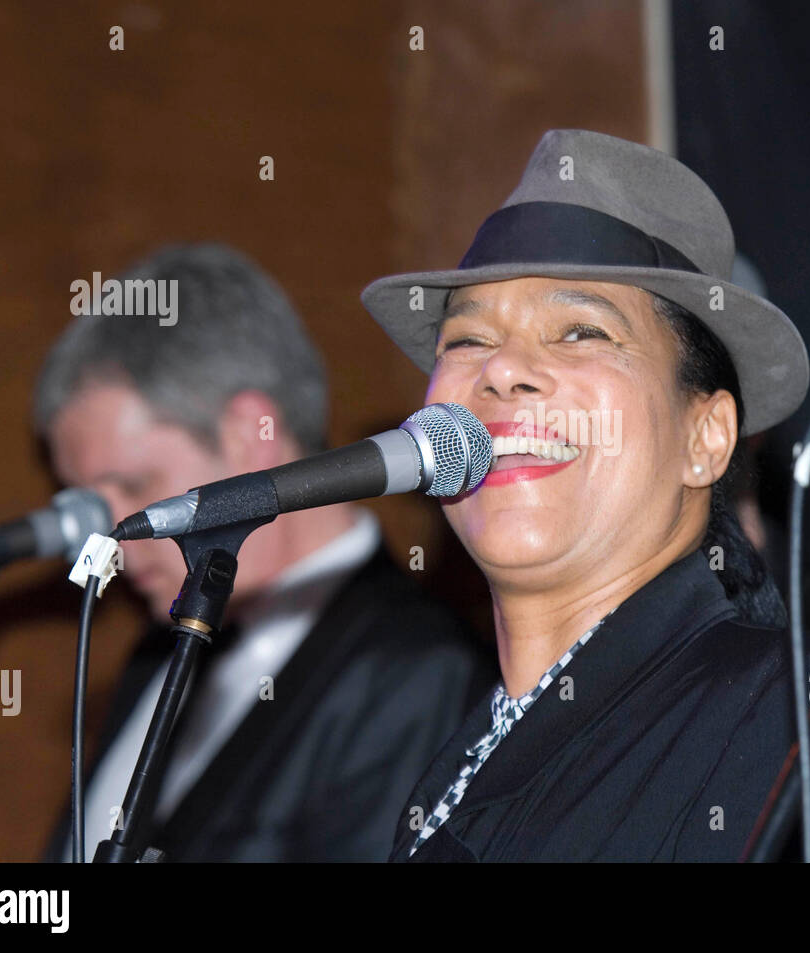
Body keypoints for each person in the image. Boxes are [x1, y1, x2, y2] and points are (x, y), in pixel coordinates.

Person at [359, 129, 810, 861]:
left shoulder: (806, 718)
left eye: (580, 331)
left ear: (705, 437)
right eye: (467, 341)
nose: (503, 369)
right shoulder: (456, 766)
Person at [36, 243, 490, 861]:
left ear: (252, 434)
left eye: (135, 485)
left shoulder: (422, 672)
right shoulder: (162, 644)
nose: (111, 535)